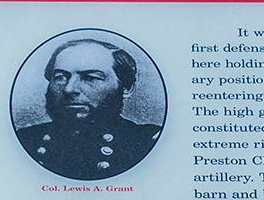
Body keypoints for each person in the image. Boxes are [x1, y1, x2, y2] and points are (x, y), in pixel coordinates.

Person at [16, 38, 162, 180]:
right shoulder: (26, 139)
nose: (69, 89)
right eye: (60, 77)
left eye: (90, 78)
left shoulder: (148, 141)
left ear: (126, 87)